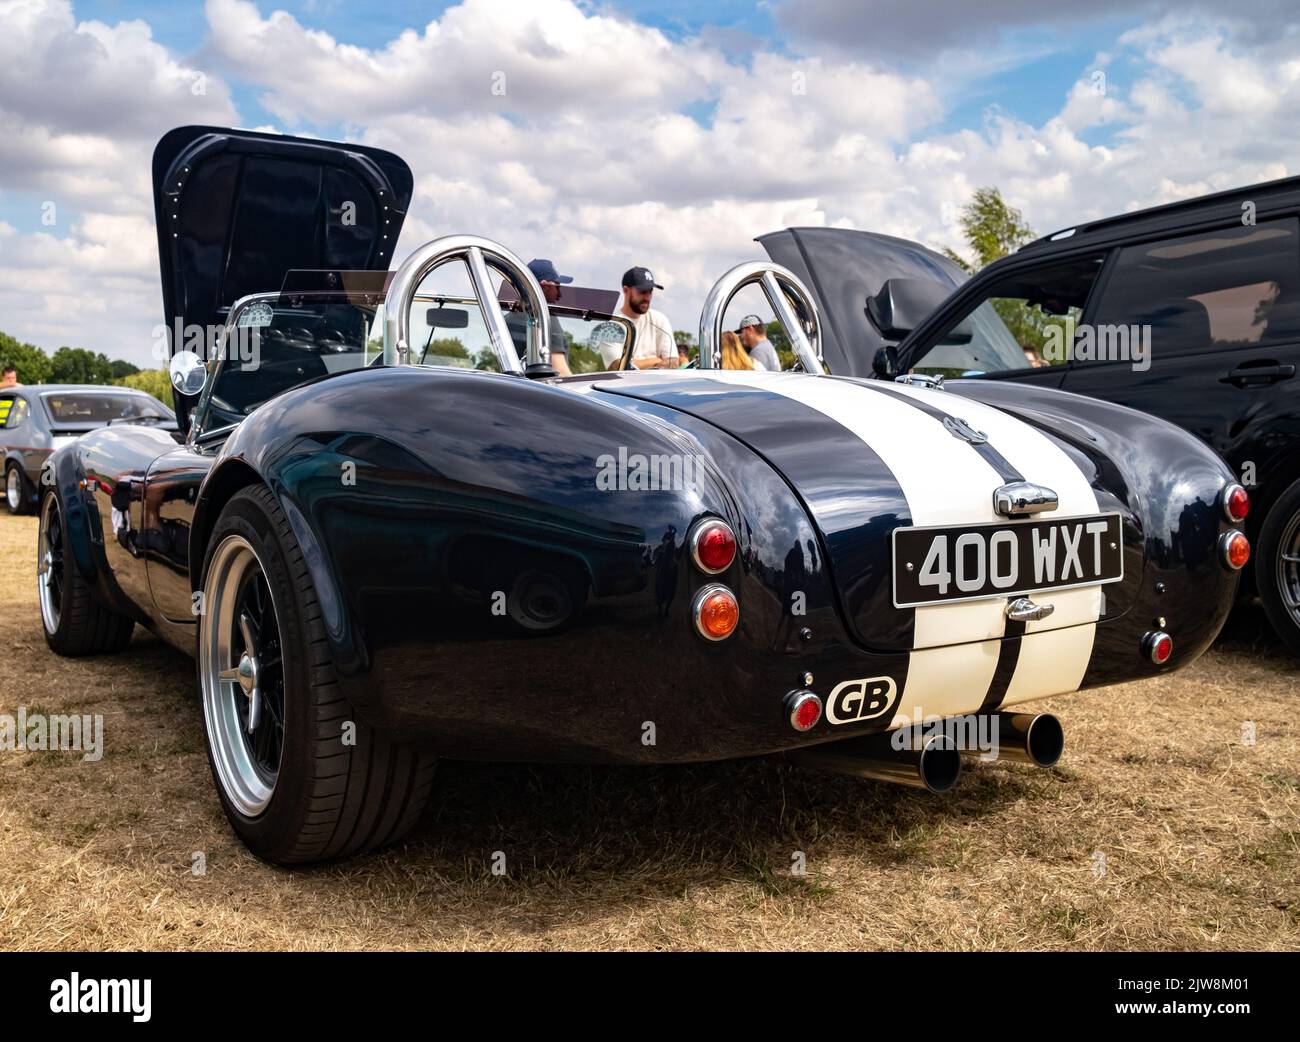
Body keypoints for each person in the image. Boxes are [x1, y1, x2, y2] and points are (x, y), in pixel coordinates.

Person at [505, 259, 573, 375]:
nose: (560, 294)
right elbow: (561, 373)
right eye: (557, 286)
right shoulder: (545, 319)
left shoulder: (506, 321)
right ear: (544, 286)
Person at [617, 266, 675, 369]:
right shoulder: (612, 324)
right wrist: (656, 360)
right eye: (642, 291)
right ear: (626, 290)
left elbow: (673, 363)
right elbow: (617, 366)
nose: (648, 297)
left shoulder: (660, 320)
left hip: (656, 384)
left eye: (650, 291)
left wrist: (634, 363)